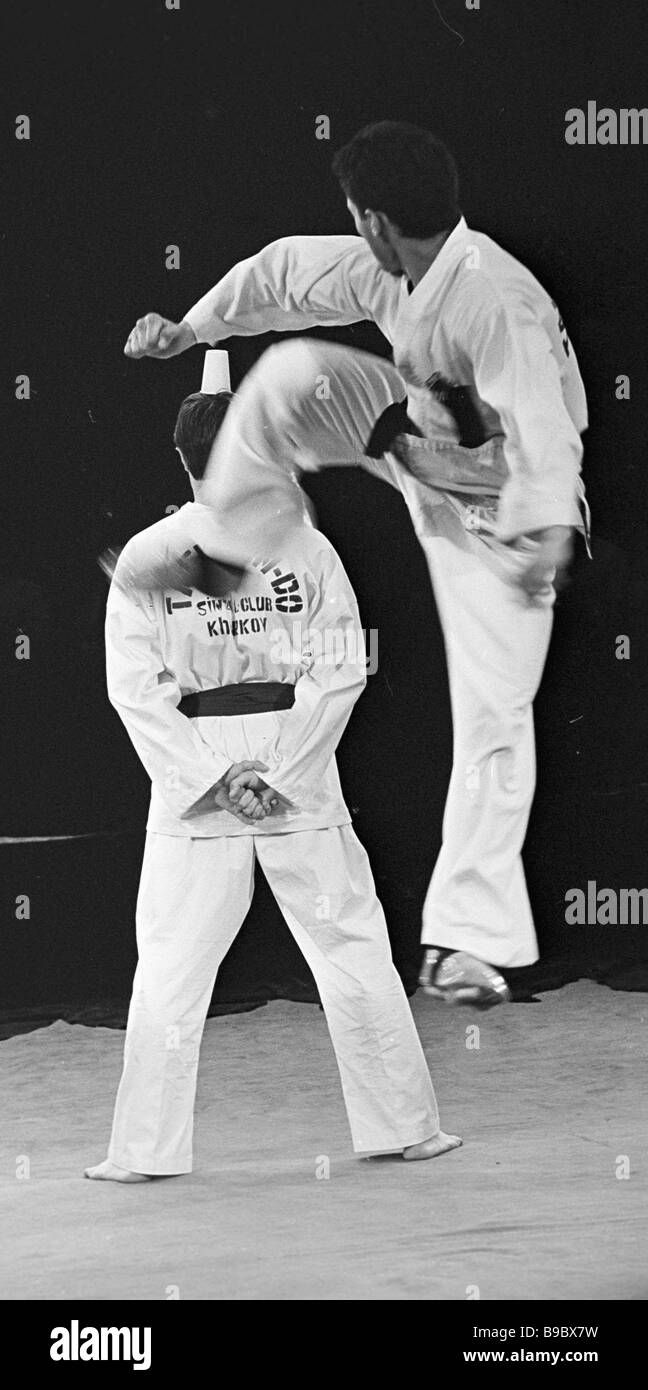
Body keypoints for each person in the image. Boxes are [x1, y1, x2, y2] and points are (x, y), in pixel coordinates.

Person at [122, 121, 591, 1009]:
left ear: (376, 218)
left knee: (496, 713)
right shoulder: (392, 264)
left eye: (353, 214)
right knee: (290, 374)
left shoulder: (495, 296)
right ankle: (223, 558)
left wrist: (552, 531)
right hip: (416, 444)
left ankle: (465, 944)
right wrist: (192, 329)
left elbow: (546, 429)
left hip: (502, 514)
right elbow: (288, 274)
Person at [85, 388, 460, 1182]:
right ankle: (406, 1127)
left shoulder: (150, 553)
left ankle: (142, 1152)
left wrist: (213, 778)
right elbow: (341, 668)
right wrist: (281, 773)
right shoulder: (305, 547)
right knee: (351, 944)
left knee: (171, 966)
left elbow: (135, 689)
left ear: (183, 459)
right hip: (295, 753)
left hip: (198, 761)